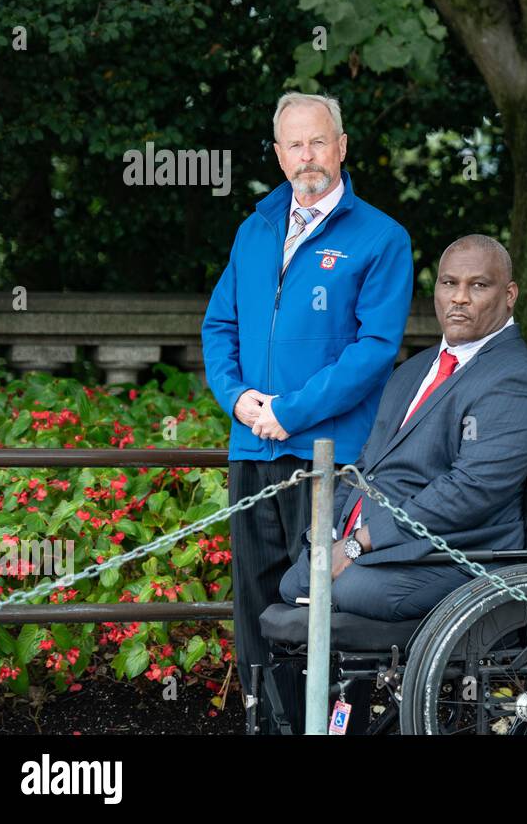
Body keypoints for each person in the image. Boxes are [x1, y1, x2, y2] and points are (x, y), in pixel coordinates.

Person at [201, 92, 414, 733]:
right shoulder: (255, 228)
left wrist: (289, 412)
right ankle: (269, 723)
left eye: (318, 142)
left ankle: (328, 726)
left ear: (342, 145)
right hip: (253, 449)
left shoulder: (381, 237)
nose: (307, 156)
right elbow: (219, 326)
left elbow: (373, 352)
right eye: (294, 145)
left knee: (324, 598)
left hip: (332, 458)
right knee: (257, 602)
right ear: (277, 154)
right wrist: (239, 400)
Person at [279, 234, 527, 621]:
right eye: (449, 283)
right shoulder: (412, 370)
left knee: (354, 587)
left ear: (509, 294)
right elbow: (366, 464)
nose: (459, 297)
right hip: (378, 552)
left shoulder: (518, 382)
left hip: (452, 556)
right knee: (294, 583)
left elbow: (468, 492)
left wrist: (359, 544)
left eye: (478, 285)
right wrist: (331, 536)